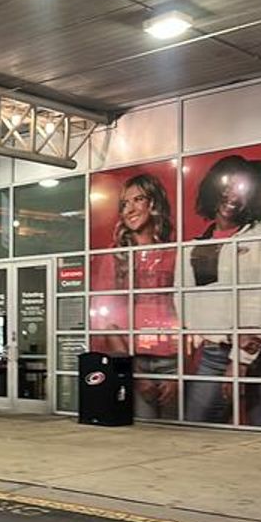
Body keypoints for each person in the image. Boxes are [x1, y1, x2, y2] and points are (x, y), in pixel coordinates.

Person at [183, 155, 261, 426]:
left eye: (241, 189)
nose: (231, 195)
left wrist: (242, 358)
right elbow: (183, 296)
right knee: (197, 423)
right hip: (216, 351)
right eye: (225, 186)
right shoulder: (195, 246)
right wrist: (197, 331)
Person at [104, 173, 181, 418]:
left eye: (138, 199)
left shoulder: (175, 253)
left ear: (153, 203)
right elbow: (107, 322)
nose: (130, 209)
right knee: (143, 432)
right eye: (125, 204)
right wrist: (134, 372)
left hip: (172, 360)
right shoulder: (114, 257)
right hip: (134, 359)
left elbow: (187, 312)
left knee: (176, 434)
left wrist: (180, 371)